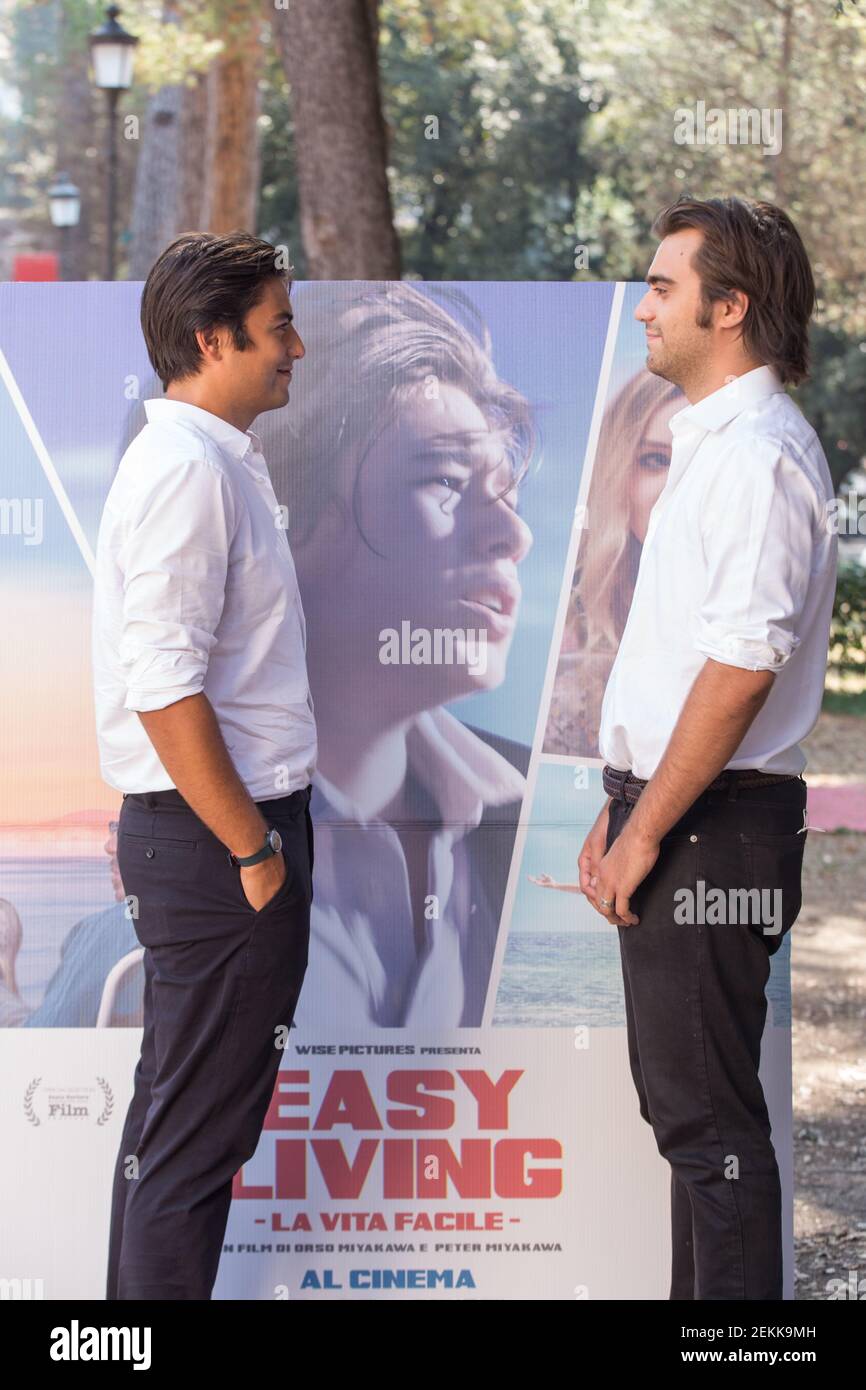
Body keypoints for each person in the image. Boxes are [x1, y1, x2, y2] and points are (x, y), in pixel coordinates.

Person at [577, 196, 837, 1300]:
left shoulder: (754, 455)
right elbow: (685, 664)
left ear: (727, 309)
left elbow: (739, 671)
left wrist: (644, 825)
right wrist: (619, 797)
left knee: (707, 1125)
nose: (642, 308)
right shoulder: (716, 446)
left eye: (661, 287)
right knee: (694, 1119)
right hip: (686, 809)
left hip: (709, 823)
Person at [92, 231, 315, 1300]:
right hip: (221, 845)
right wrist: (253, 848)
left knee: (177, 1135)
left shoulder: (205, 460)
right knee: (188, 1145)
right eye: (276, 329)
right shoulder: (187, 470)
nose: (296, 348)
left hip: (207, 837)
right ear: (209, 338)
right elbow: (163, 686)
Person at [253, 282, 535, 1026]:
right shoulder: (187, 819)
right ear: (290, 508)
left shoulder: (543, 810)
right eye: (444, 480)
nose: (513, 536)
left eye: (507, 494)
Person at [545, 372, 682, 756]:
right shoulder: (561, 630)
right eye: (655, 460)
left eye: (700, 463)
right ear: (617, 470)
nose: (675, 487)